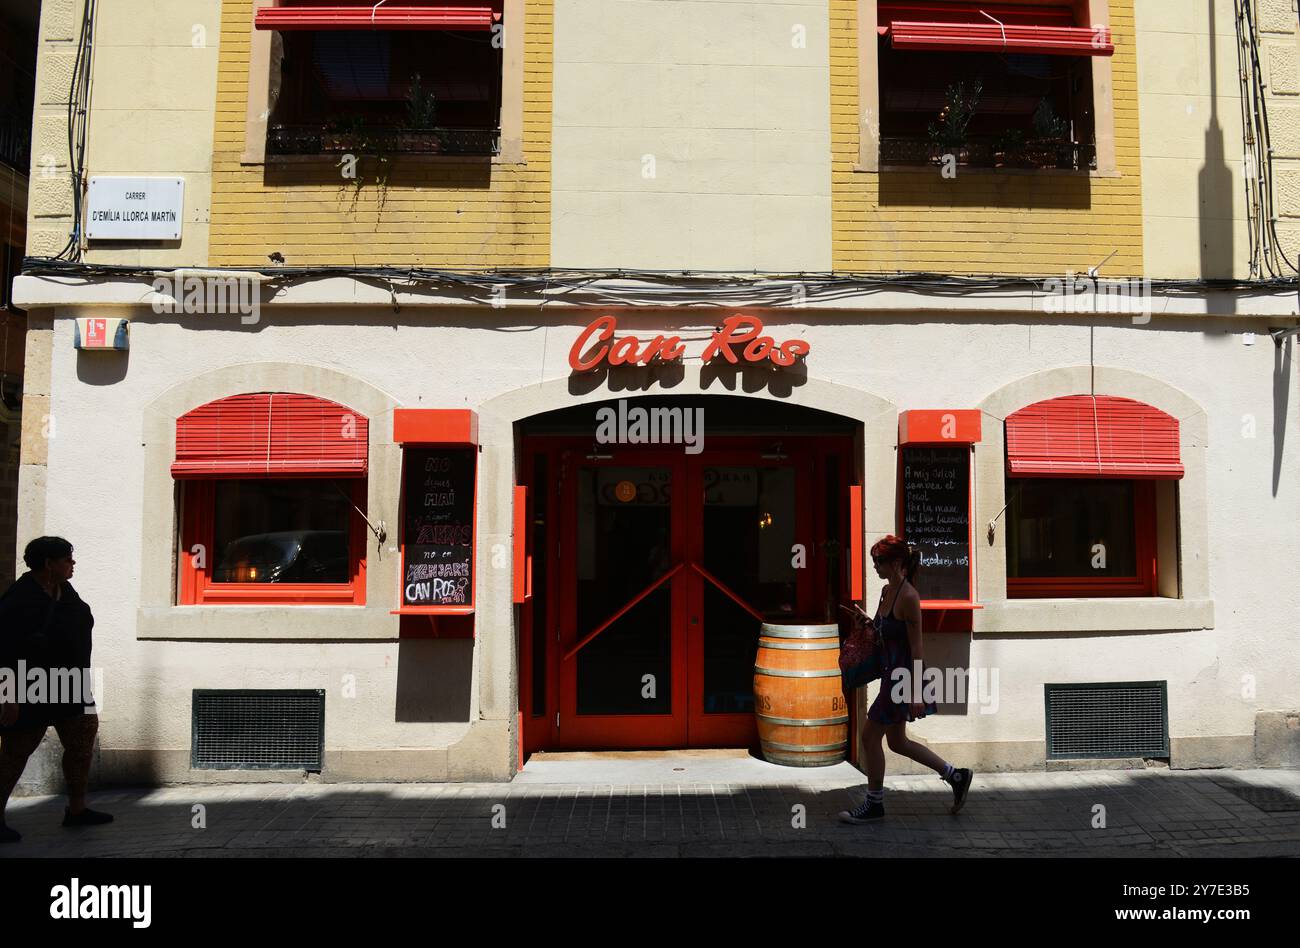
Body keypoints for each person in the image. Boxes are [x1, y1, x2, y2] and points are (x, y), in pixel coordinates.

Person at [838, 535, 972, 824]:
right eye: (874, 560)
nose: (875, 566)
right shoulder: (887, 593)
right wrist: (866, 623)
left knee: (869, 736)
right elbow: (882, 632)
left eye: (879, 561)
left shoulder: (909, 597)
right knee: (897, 742)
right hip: (890, 675)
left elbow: (917, 647)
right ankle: (956, 775)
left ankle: (874, 804)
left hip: (902, 679)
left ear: (897, 562)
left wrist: (915, 693)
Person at [0, 537, 112, 843]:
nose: (72, 564)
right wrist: (9, 697)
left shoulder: (66, 591)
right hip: (31, 687)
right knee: (15, 754)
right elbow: (5, 651)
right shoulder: (19, 599)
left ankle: (77, 809)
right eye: (67, 560)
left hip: (69, 683)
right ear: (48, 564)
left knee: (81, 743)